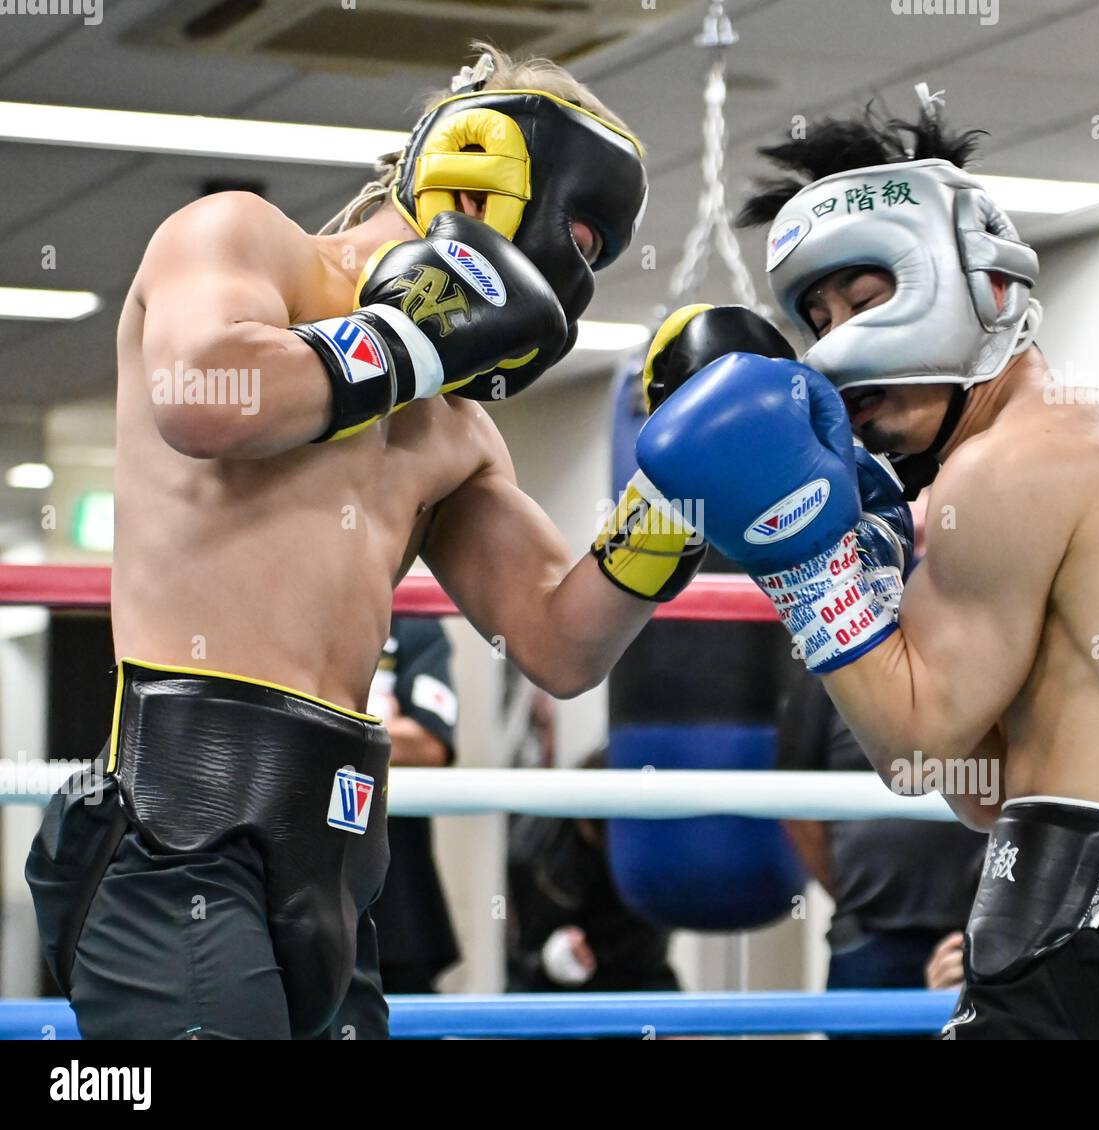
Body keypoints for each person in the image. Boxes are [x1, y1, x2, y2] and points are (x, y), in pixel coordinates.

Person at [25, 43, 705, 1040]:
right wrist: (410, 335)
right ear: (482, 173)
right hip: (180, 832)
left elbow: (560, 642)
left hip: (337, 850)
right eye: (582, 229)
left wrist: (683, 500)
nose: (576, 269)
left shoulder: (457, 428)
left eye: (596, 254)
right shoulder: (246, 241)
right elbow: (203, 395)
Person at [631, 92, 1099, 1039]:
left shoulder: (1017, 462)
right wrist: (878, 564)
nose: (840, 341)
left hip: (1091, 971)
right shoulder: (1068, 448)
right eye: (817, 314)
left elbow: (907, 746)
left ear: (983, 287)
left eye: (865, 299)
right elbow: (978, 792)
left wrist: (806, 561)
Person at [776, 666, 983, 1001]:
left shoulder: (996, 647)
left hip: (988, 929)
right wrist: (855, 890)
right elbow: (795, 801)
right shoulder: (834, 655)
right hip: (871, 932)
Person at [505, 751, 679, 994]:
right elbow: (522, 953)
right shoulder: (535, 852)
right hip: (543, 985)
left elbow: (649, 960)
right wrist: (551, 956)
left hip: (637, 973)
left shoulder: (653, 850)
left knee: (680, 1026)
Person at [366, 618, 460, 994]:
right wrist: (378, 724)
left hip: (396, 883)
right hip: (300, 870)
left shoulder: (411, 624)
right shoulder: (288, 604)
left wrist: (342, 723)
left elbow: (431, 744)